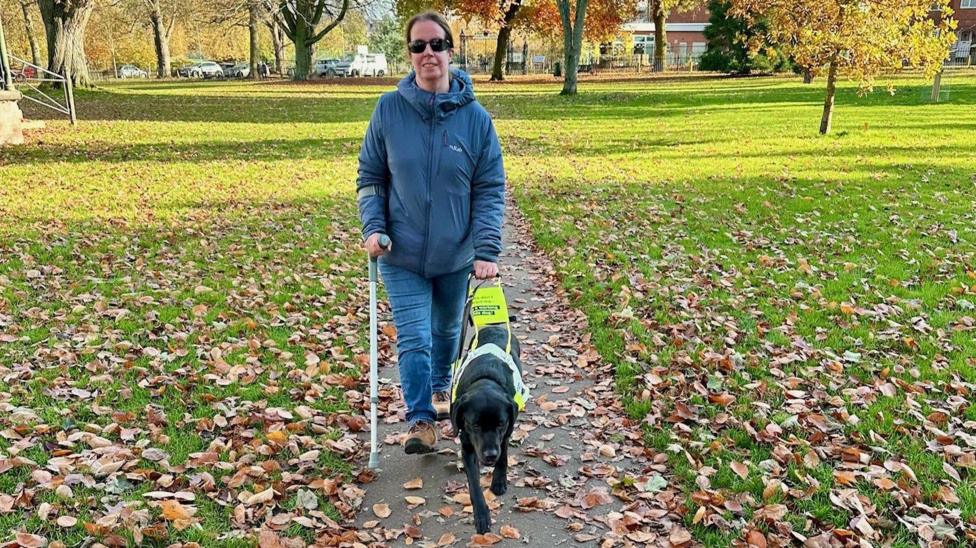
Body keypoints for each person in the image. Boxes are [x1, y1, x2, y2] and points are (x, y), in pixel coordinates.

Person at [356, 11, 506, 455]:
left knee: (444, 334)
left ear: (450, 51)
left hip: (454, 256)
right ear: (409, 54)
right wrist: (374, 227)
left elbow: (490, 187)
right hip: (399, 253)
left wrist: (485, 249)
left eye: (436, 45)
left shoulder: (476, 120)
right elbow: (371, 176)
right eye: (419, 46)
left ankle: (442, 388)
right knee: (415, 337)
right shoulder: (388, 110)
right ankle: (420, 418)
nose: (428, 54)